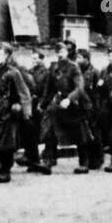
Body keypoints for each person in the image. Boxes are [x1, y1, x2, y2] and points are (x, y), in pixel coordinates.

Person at [0, 42, 32, 182]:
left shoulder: (13, 73)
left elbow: (24, 93)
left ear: (7, 56)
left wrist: (26, 112)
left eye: (0, 54)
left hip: (7, 110)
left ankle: (5, 171)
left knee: (6, 141)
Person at [39, 41, 91, 173]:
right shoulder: (54, 67)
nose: (60, 55)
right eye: (58, 52)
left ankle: (83, 163)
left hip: (72, 103)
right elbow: (48, 88)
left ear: (67, 53)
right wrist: (43, 104)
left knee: (79, 132)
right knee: (51, 130)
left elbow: (80, 87)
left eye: (62, 52)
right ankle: (49, 162)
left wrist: (70, 99)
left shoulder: (74, 67)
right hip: (57, 102)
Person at [76, 47, 104, 169]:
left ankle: (97, 159)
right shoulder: (76, 72)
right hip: (79, 106)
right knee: (82, 134)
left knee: (94, 134)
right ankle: (84, 160)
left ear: (86, 59)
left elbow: (99, 92)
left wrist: (96, 108)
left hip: (92, 107)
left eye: (80, 58)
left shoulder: (95, 72)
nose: (77, 60)